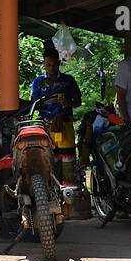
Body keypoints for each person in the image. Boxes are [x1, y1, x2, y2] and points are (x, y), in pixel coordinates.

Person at [30, 42, 82, 180]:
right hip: (46, 126)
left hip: (65, 126)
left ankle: (69, 195)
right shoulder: (38, 82)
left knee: (68, 163)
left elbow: (78, 102)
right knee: (47, 162)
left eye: (54, 65)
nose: (52, 68)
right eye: (48, 65)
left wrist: (68, 103)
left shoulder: (69, 80)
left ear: (59, 63)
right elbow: (32, 104)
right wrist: (46, 101)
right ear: (44, 64)